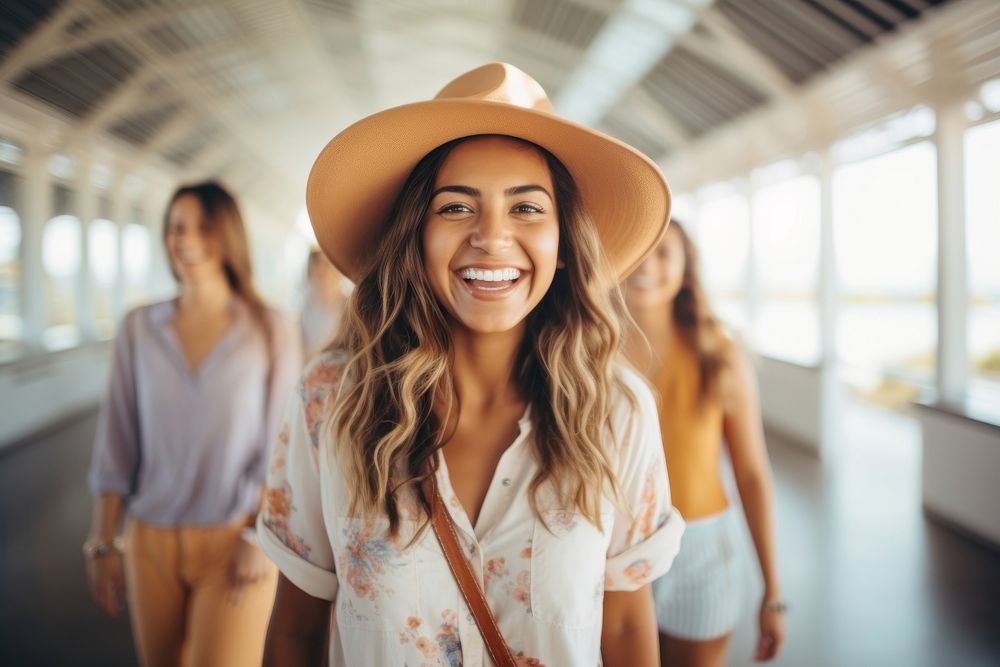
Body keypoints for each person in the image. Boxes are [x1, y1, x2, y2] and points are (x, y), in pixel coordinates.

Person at [257, 63, 686, 666]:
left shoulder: (616, 409)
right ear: (416, 236)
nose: (491, 236)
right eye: (456, 208)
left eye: (527, 209)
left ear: (563, 246)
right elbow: (296, 633)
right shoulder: (330, 400)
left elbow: (623, 631)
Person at [85, 181, 302, 667]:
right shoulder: (139, 327)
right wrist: (102, 541)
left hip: (233, 540)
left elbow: (284, 448)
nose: (187, 239)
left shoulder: (271, 328)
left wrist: (258, 536)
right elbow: (116, 440)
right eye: (176, 227)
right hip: (149, 540)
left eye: (203, 226)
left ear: (228, 235)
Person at [624, 221, 787, 667]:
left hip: (703, 554)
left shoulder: (719, 353)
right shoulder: (587, 348)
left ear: (685, 269)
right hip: (615, 548)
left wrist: (773, 592)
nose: (647, 265)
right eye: (639, 249)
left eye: (664, 253)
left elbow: (752, 474)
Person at [299, 248, 350, 361]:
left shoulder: (350, 308)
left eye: (327, 265)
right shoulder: (305, 306)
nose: (321, 270)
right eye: (317, 264)